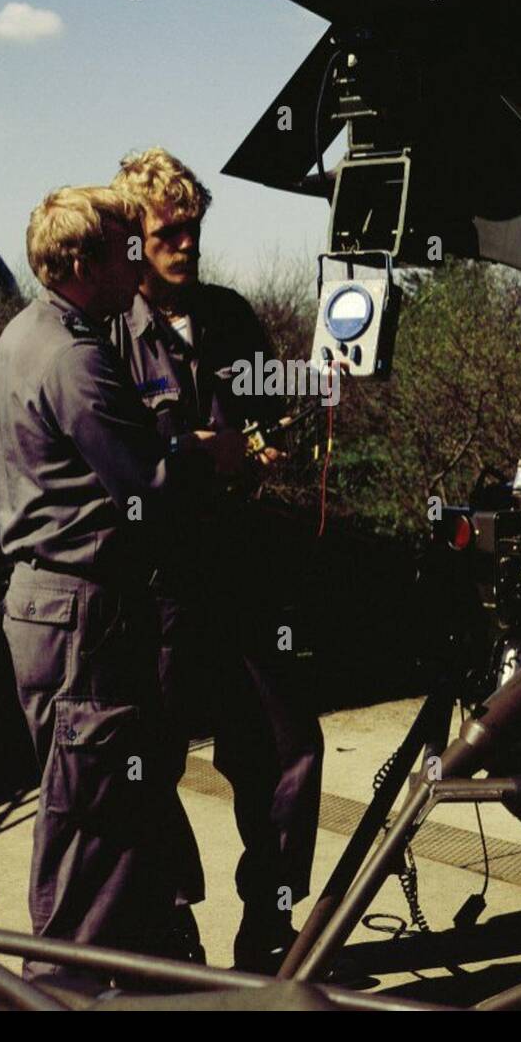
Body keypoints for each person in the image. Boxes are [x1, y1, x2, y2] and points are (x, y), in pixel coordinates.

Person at [0, 183, 241, 983]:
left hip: (57, 607)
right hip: (82, 614)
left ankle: (125, 975)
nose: (144, 261)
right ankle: (62, 988)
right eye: (129, 248)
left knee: (105, 810)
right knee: (89, 824)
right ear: (86, 262)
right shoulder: (73, 354)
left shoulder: (29, 334)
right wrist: (212, 457)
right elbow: (150, 490)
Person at [111, 146, 324, 972]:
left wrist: (291, 422)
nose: (186, 244)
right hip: (156, 585)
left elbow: (276, 405)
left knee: (284, 745)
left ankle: (269, 922)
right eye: (169, 230)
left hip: (238, 574)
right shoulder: (104, 334)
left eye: (194, 228)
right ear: (134, 233)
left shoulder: (231, 315)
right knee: (149, 762)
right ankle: (171, 924)